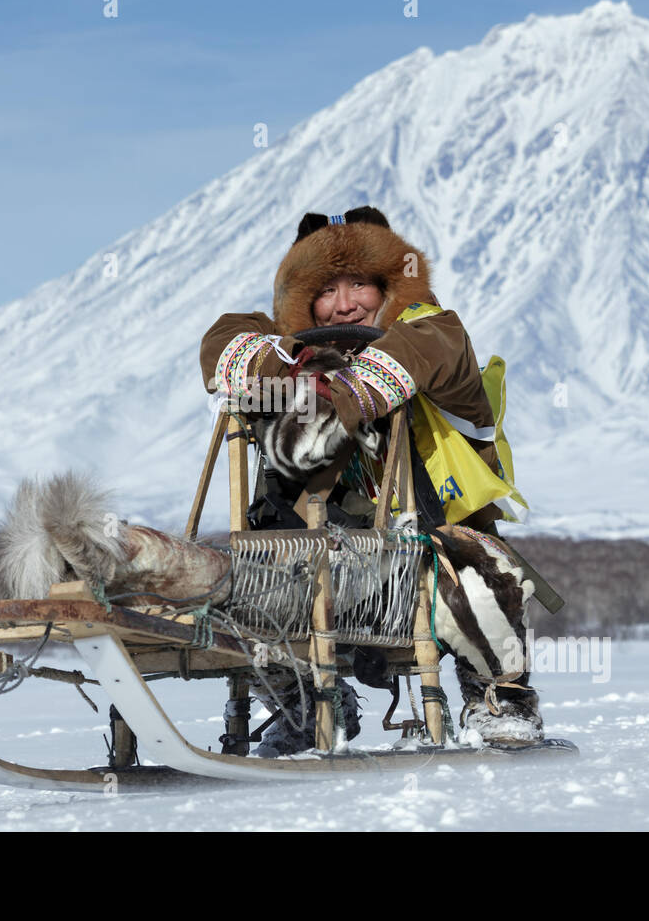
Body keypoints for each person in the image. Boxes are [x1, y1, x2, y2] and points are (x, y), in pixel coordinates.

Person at [199, 206, 543, 754]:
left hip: (429, 550)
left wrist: (334, 389)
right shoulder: (285, 345)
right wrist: (291, 362)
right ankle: (308, 707)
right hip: (318, 555)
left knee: (482, 586)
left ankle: (499, 700)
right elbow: (223, 344)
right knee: (245, 588)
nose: (344, 303)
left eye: (359, 283)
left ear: (389, 286)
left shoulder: (435, 329)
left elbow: (416, 352)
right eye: (326, 289)